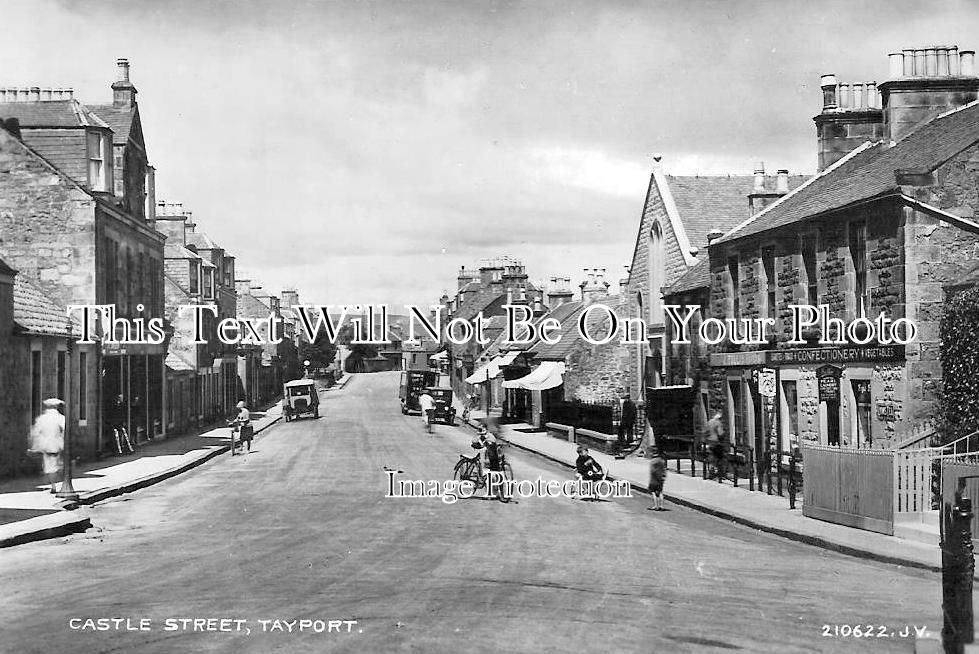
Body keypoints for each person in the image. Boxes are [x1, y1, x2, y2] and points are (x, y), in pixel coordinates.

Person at [29, 399, 66, 493]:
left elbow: (35, 432)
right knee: (57, 463)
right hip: (57, 444)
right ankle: (57, 483)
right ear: (57, 407)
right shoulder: (60, 418)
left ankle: (53, 484)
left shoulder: (41, 419)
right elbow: (65, 430)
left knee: (49, 464)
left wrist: (34, 445)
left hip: (45, 444)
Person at [705, 411, 726, 479]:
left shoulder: (709, 422)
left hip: (709, 441)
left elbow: (706, 432)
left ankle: (711, 472)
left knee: (711, 458)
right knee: (720, 457)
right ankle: (720, 474)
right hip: (716, 442)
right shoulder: (718, 423)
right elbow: (720, 433)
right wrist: (724, 434)